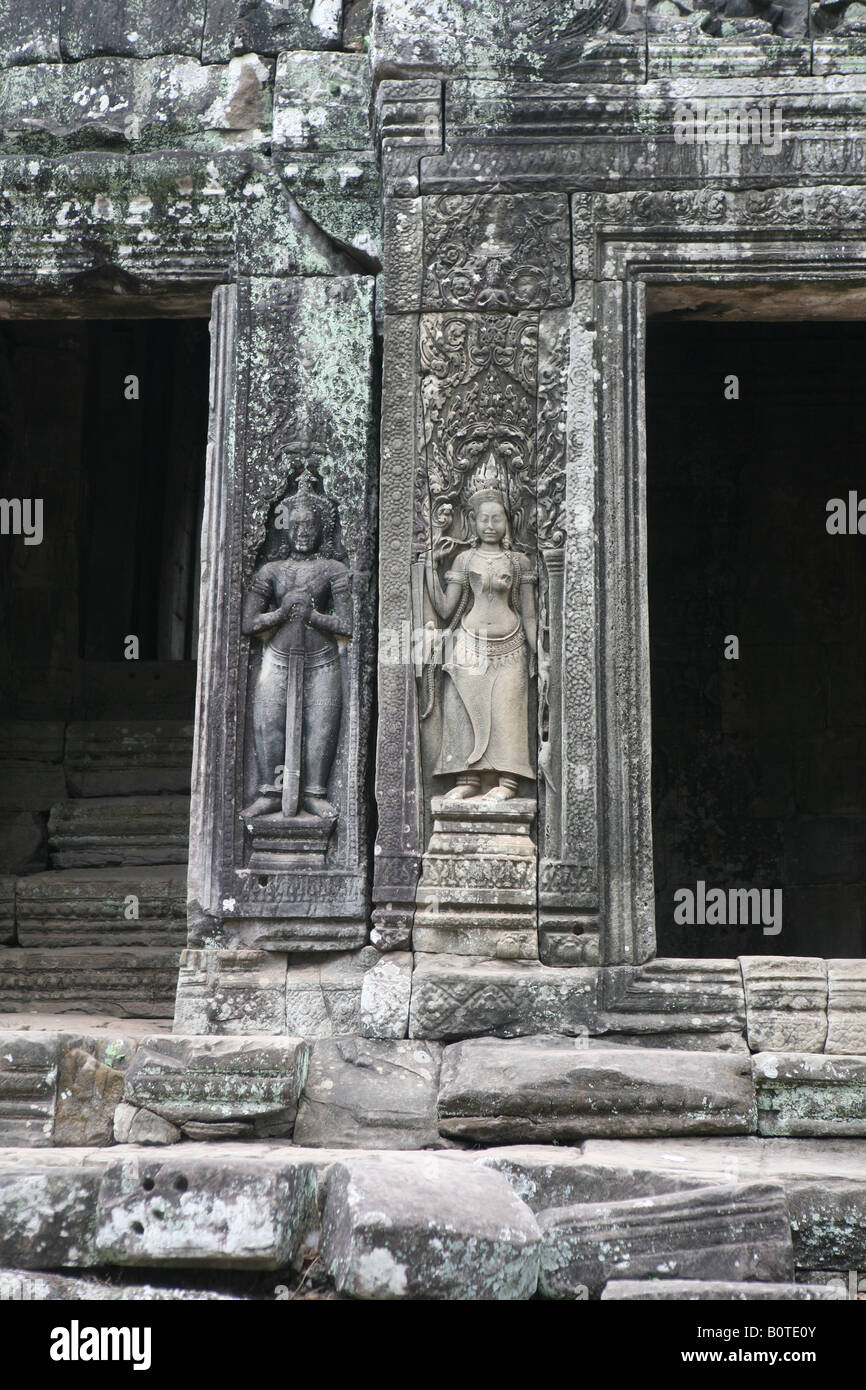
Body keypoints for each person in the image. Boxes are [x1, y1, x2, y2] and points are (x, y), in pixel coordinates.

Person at [241, 472, 351, 820]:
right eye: (297, 526)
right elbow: (248, 624)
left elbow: (347, 625)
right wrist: (281, 612)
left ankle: (316, 791)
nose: (303, 532)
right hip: (276, 658)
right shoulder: (271, 571)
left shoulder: (333, 569)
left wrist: (314, 615)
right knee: (268, 721)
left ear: (322, 529)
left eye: (310, 526)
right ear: (285, 527)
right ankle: (271, 792)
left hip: (322, 660)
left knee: (321, 725)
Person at [425, 469, 536, 802]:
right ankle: (468, 777)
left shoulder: (518, 561)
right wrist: (431, 566)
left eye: (497, 519)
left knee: (508, 711)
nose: (490, 525)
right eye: (483, 519)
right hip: (469, 646)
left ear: (508, 523)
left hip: (512, 646)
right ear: (472, 522)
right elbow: (446, 610)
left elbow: (529, 613)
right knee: (461, 710)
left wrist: (541, 654)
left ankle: (508, 782)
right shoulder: (464, 558)